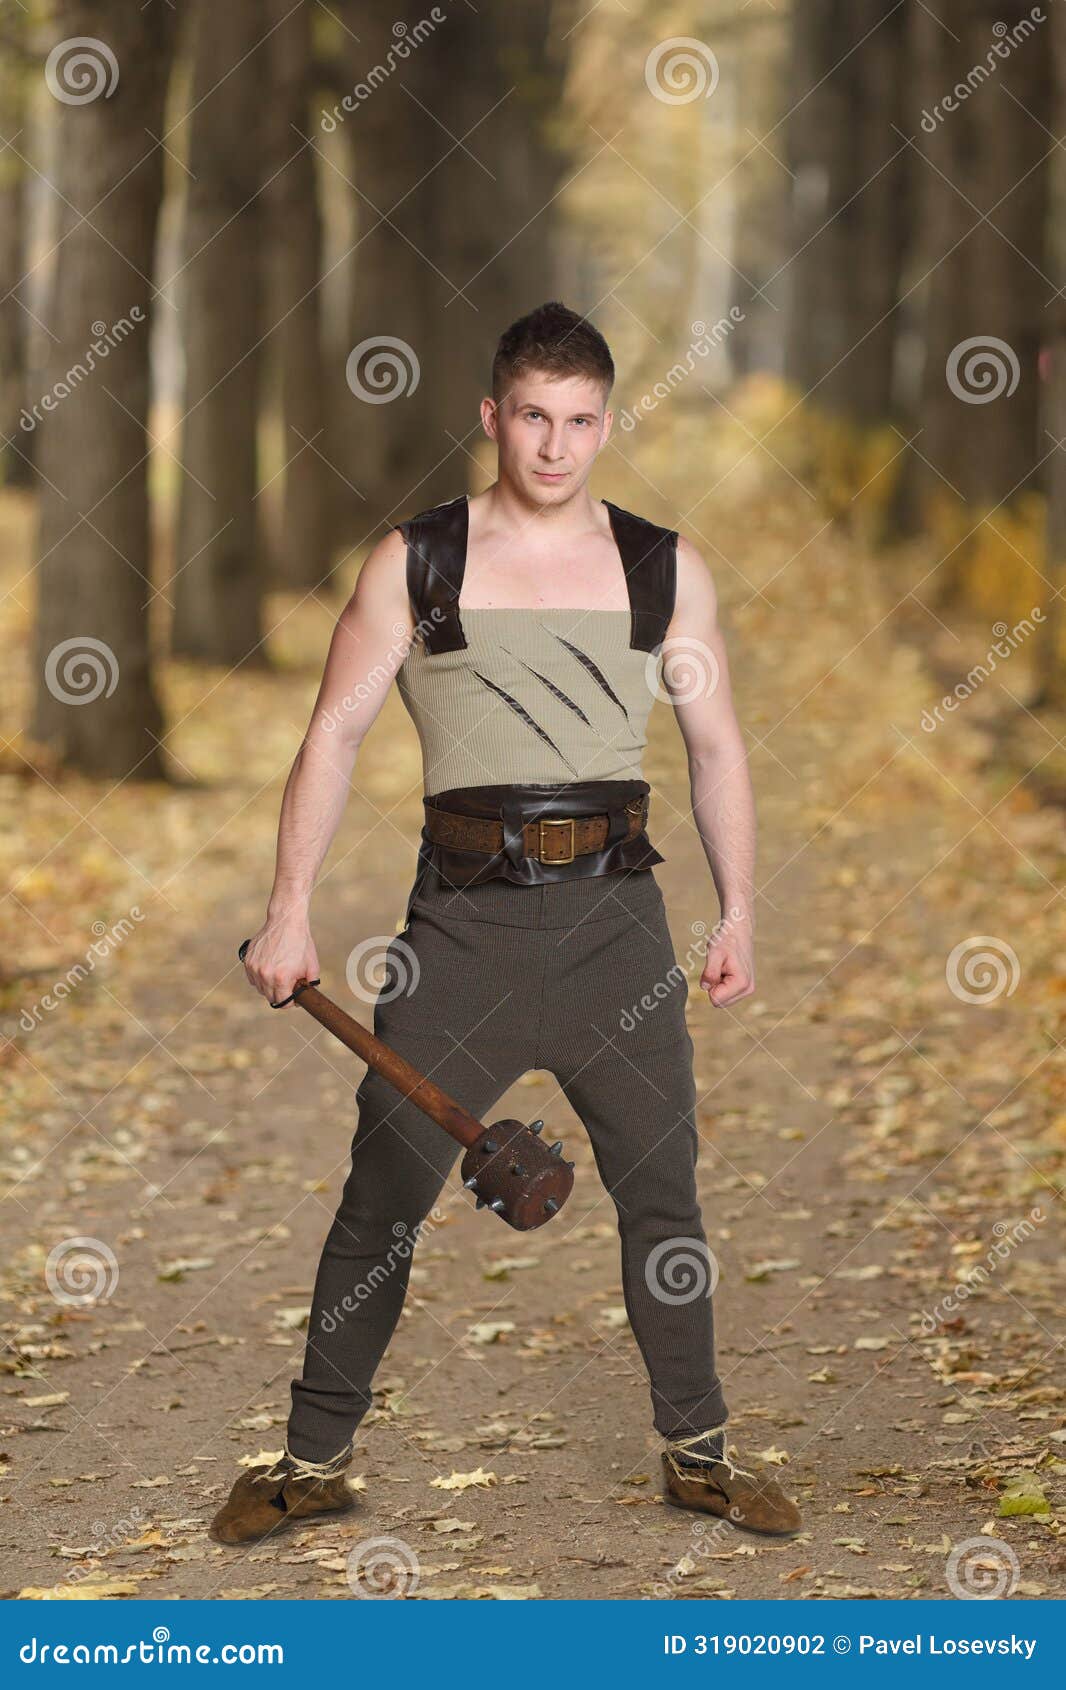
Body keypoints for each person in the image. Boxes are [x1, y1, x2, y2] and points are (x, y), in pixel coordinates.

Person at [209, 302, 801, 1547]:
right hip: (459, 935)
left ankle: (699, 1453)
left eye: (580, 421)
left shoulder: (660, 567)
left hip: (616, 934)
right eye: (532, 416)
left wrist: (739, 907)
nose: (554, 445)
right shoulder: (416, 562)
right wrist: (288, 909)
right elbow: (334, 735)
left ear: (604, 423)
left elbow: (715, 745)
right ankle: (312, 1461)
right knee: (382, 1195)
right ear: (492, 415)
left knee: (665, 1196)